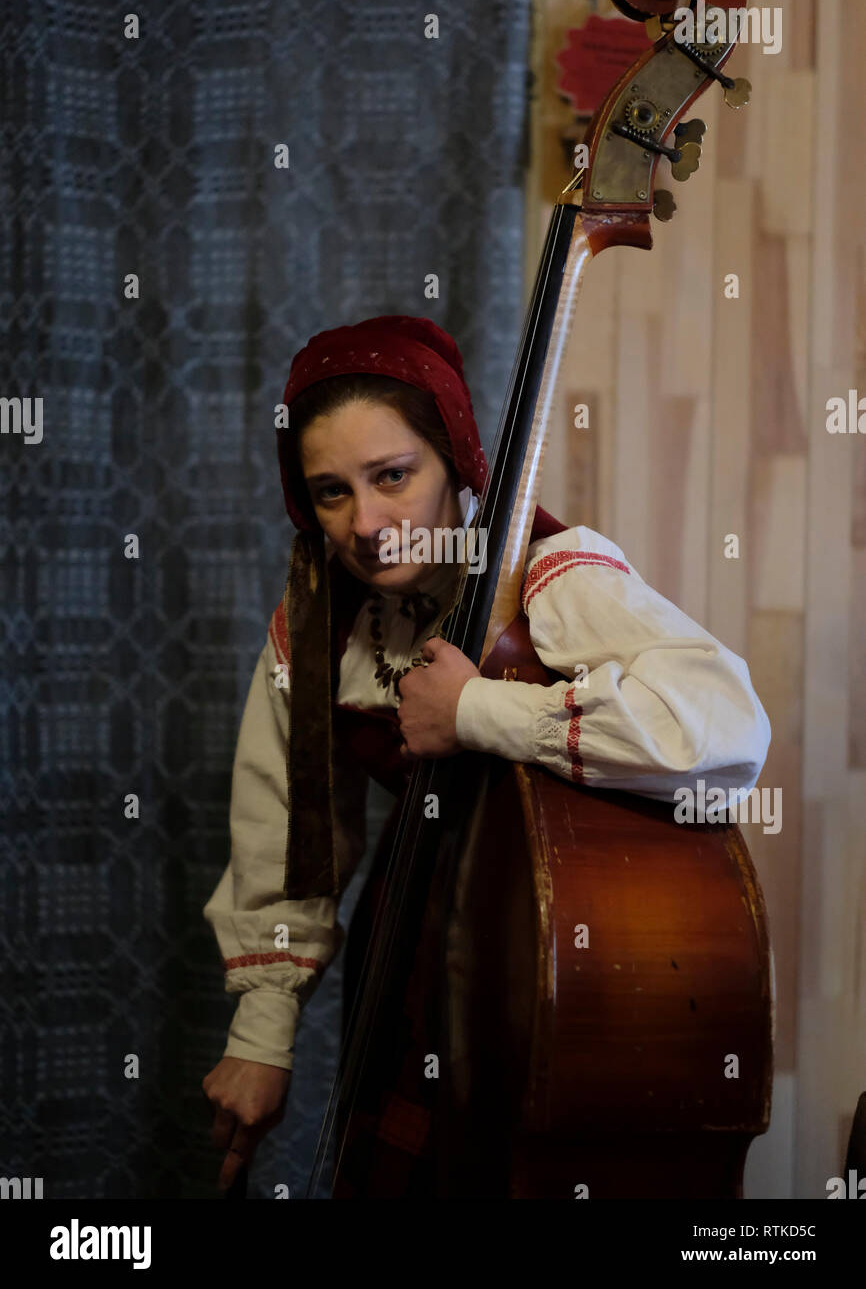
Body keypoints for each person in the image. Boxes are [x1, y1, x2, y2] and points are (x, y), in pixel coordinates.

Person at [201, 314, 772, 1193]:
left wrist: (478, 712)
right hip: (417, 936)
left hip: (535, 953)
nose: (367, 521)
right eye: (331, 491)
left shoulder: (550, 576)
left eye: (394, 475)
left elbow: (728, 726)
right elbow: (289, 834)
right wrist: (262, 1036)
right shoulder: (318, 626)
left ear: (458, 460)